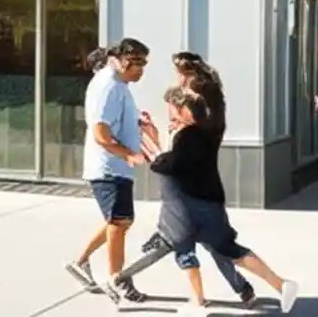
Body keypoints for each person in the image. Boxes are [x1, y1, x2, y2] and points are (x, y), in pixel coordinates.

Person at [105, 52, 255, 308]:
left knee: (192, 242)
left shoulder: (199, 113)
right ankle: (239, 289)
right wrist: (154, 136)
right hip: (188, 188)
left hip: (189, 188)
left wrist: (154, 143)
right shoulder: (201, 111)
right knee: (199, 242)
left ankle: (239, 289)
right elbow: (171, 156)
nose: (180, 80)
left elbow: (172, 158)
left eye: (183, 74)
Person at [148, 79, 299, 314]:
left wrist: (154, 150)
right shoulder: (199, 132)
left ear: (185, 110)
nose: (170, 116)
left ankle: (277, 285)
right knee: (222, 249)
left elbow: (173, 165)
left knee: (219, 248)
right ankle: (272, 286)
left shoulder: (190, 136)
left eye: (172, 110)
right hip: (204, 202)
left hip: (200, 204)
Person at [64, 38, 151, 303]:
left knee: (119, 221)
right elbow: (101, 132)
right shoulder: (107, 85)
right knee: (119, 222)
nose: (142, 70)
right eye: (139, 63)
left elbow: (114, 120)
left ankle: (81, 262)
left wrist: (137, 122)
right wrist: (129, 154)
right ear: (123, 60)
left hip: (116, 167)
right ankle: (117, 279)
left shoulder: (119, 84)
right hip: (108, 168)